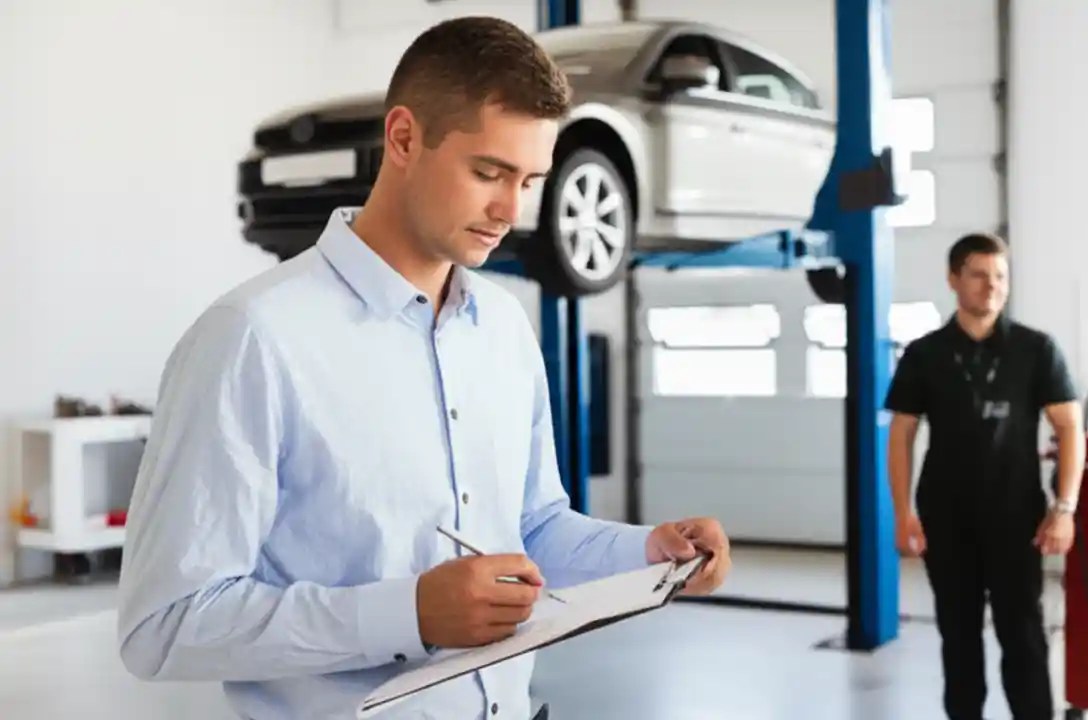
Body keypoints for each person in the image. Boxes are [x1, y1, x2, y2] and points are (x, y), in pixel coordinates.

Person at [116, 16, 731, 720]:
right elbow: (163, 626)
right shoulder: (251, 339)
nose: (511, 210)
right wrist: (407, 614)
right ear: (404, 138)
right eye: (488, 173)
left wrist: (649, 551)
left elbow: (531, 529)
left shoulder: (502, 329)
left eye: (530, 180)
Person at [884, 233, 1084, 720]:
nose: (991, 286)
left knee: (1024, 636)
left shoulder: (1036, 350)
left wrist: (1064, 508)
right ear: (953, 280)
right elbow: (901, 435)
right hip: (946, 519)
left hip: (1017, 519)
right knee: (958, 637)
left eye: (1000, 276)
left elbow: (1070, 427)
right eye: (978, 275)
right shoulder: (924, 354)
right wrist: (903, 513)